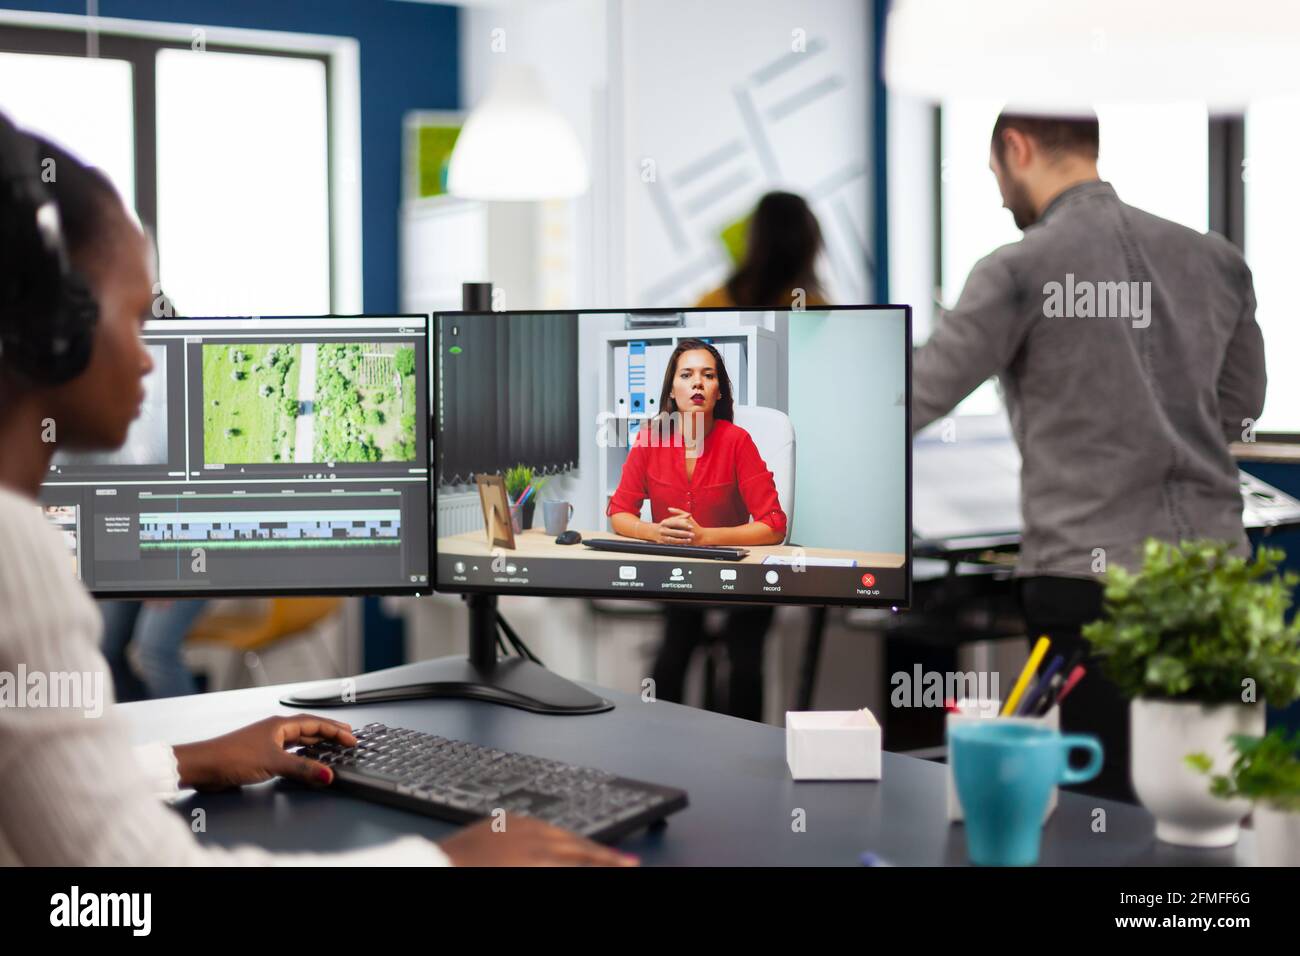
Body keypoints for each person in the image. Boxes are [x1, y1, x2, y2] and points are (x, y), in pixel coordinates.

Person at [0, 115, 634, 866]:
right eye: (138, 321)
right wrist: (445, 864)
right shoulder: (15, 545)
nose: (150, 359)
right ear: (55, 325)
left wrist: (183, 762)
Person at [912, 110, 1266, 802]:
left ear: (1017, 147)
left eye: (995, 173)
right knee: (1207, 806)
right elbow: (1240, 406)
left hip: (1089, 582)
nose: (999, 195)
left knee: (1102, 810)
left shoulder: (1017, 268)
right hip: (1216, 579)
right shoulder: (1215, 258)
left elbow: (914, 397)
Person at [636, 191, 829, 721]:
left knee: (678, 638)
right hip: (759, 501)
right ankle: (741, 758)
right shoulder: (821, 310)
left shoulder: (714, 303)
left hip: (694, 496)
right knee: (747, 647)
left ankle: (661, 744)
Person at [100, 599, 209, 700]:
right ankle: (133, 712)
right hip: (125, 578)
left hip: (177, 579)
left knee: (155, 651)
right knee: (103, 647)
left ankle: (186, 717)